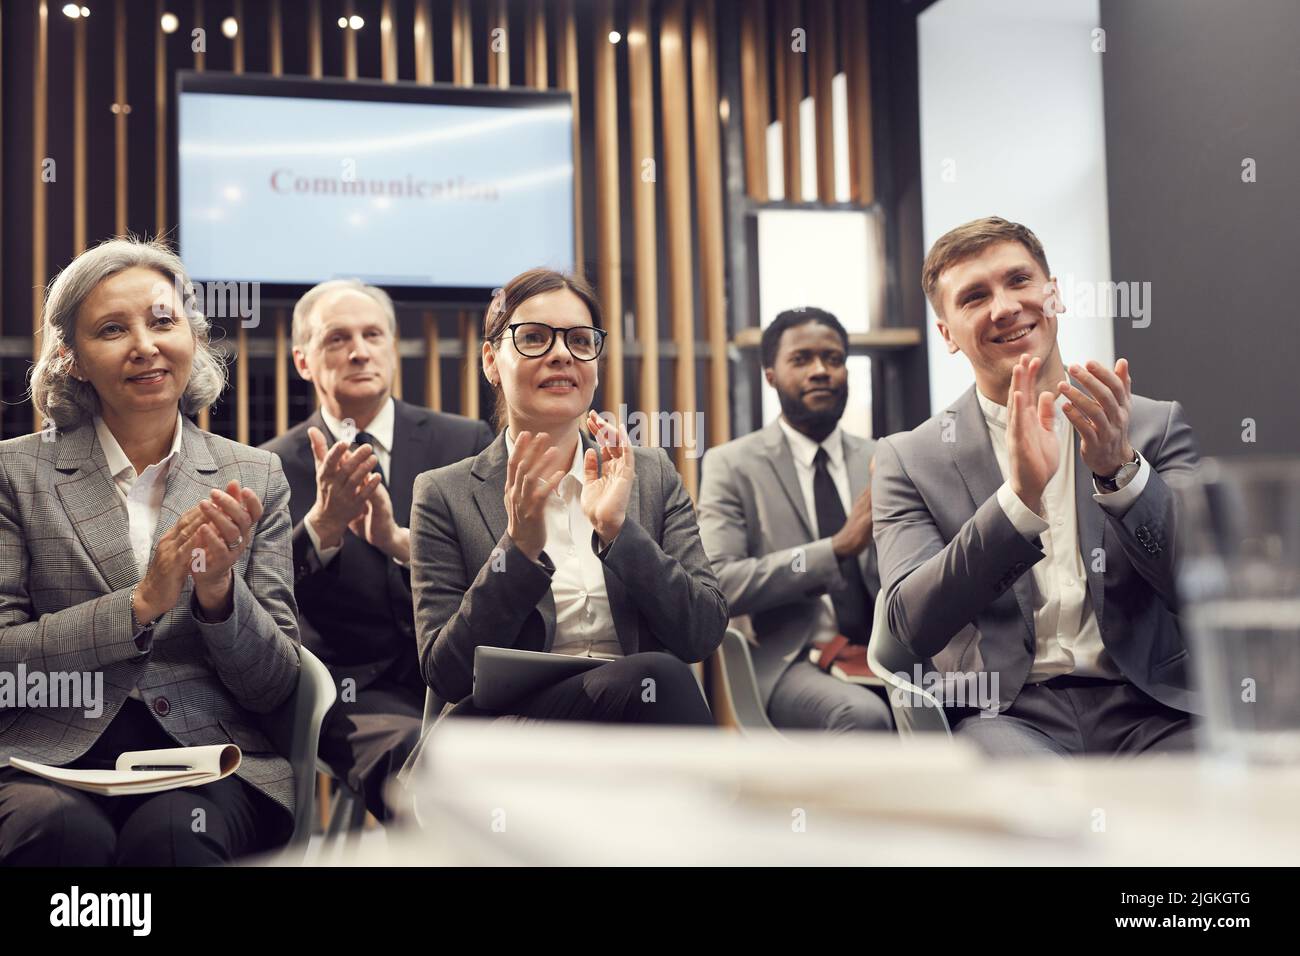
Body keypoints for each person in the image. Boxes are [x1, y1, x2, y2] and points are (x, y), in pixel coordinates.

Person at [0, 238, 299, 865]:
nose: (144, 345)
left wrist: (219, 595)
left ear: (190, 335)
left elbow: (276, 686)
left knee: (171, 841)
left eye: (163, 321)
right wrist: (138, 607)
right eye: (112, 329)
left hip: (205, 759)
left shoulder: (256, 476)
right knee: (59, 834)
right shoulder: (14, 472)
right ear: (72, 359)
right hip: (42, 757)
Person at [872, 216, 1199, 757]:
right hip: (1008, 715)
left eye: (1019, 281)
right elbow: (910, 627)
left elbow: (1196, 583)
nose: (1004, 306)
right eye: (974, 297)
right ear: (947, 334)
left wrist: (1122, 473)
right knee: (1032, 812)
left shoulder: (1154, 426)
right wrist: (1016, 505)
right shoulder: (908, 459)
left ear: (1055, 295)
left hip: (1154, 708)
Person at [409, 268, 726, 727]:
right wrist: (517, 550)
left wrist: (620, 533)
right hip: (504, 731)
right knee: (656, 679)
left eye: (579, 340)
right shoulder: (444, 492)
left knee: (656, 682)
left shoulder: (651, 474)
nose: (561, 354)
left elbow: (702, 633)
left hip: (633, 722)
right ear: (491, 361)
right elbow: (447, 673)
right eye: (534, 338)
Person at [261, 279, 492, 820]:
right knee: (429, 767)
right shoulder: (266, 467)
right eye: (337, 339)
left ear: (392, 348)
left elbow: (495, 567)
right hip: (350, 694)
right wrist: (322, 528)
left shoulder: (463, 443)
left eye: (372, 335)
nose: (359, 350)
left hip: (461, 676)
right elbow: (260, 603)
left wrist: (401, 544)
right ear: (303, 359)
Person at [698, 307, 891, 733]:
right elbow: (719, 585)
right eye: (801, 359)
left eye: (834, 359)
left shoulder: (886, 458)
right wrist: (836, 549)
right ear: (769, 374)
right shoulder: (732, 465)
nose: (821, 371)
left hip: (888, 655)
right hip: (796, 659)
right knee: (864, 717)